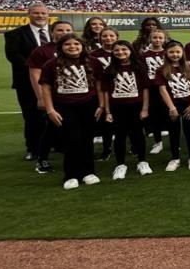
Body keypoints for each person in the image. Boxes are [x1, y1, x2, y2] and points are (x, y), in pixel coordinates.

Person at [38, 34, 104, 190]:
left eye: (76, 44)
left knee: (87, 139)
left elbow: (100, 85)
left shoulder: (93, 62)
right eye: (68, 44)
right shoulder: (51, 64)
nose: (73, 47)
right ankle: (71, 175)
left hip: (88, 105)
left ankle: (88, 172)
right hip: (64, 106)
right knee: (71, 140)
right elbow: (45, 87)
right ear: (61, 47)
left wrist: (101, 105)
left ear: (82, 46)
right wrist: (50, 110)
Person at [4, 2, 52, 162]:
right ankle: (33, 149)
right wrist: (37, 69)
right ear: (28, 14)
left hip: (55, 82)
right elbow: (13, 56)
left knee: (58, 113)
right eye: (36, 13)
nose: (40, 16)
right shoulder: (14, 34)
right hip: (27, 83)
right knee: (32, 117)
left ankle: (57, 144)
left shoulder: (56, 33)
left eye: (43, 13)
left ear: (48, 15)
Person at [27, 20, 76, 174]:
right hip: (55, 97)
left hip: (76, 96)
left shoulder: (77, 47)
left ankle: (77, 155)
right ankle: (42, 160)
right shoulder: (42, 51)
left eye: (68, 29)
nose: (64, 32)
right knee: (51, 129)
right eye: (60, 30)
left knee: (76, 128)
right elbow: (35, 75)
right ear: (52, 32)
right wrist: (41, 98)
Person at [101, 39, 153, 178]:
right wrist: (107, 111)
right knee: (120, 136)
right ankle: (120, 164)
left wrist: (145, 109)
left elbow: (145, 89)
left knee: (138, 135)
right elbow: (105, 91)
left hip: (136, 106)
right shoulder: (110, 69)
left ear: (130, 51)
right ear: (112, 52)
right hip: (117, 107)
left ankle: (142, 161)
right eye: (116, 50)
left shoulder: (139, 67)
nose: (120, 52)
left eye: (124, 49)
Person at [155, 40, 190, 172]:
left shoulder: (188, 67)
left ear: (183, 53)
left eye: (178, 52)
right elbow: (162, 90)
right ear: (166, 53)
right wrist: (171, 108)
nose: (175, 54)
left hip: (187, 104)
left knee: (189, 131)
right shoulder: (162, 70)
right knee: (173, 132)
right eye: (171, 52)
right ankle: (175, 159)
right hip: (171, 105)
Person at [90, 27, 119, 160]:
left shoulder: (123, 50)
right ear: (100, 38)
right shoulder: (94, 55)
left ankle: (132, 147)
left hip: (123, 91)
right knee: (106, 122)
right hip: (102, 92)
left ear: (116, 37)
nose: (108, 38)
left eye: (111, 36)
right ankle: (107, 149)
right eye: (105, 36)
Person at [141, 29, 169, 155]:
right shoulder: (144, 55)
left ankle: (174, 141)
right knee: (155, 115)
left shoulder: (168, 53)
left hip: (168, 87)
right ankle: (158, 142)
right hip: (152, 88)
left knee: (169, 114)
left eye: (160, 38)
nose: (157, 40)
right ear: (150, 39)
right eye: (155, 38)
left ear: (164, 39)